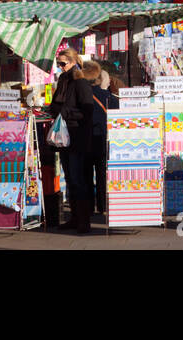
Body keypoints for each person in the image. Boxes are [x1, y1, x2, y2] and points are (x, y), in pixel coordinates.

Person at [48, 49, 99, 233]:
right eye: (59, 64)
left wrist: (66, 112)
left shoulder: (80, 81)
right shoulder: (63, 80)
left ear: (73, 62)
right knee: (70, 178)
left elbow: (87, 111)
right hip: (64, 137)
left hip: (77, 136)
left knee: (78, 178)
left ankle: (83, 221)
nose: (61, 67)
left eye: (63, 64)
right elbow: (57, 103)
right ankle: (75, 218)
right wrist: (53, 109)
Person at [90, 66, 121, 216]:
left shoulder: (86, 94)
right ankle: (102, 206)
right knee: (102, 174)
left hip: (87, 138)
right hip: (103, 139)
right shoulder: (111, 99)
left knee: (87, 173)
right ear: (104, 81)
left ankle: (89, 206)